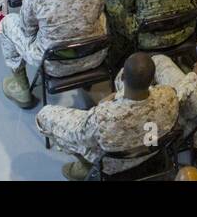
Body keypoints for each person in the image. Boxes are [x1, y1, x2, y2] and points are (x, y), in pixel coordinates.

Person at [0, 0, 107, 108]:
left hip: (53, 65)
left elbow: (27, 30)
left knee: (7, 22)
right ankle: (87, 80)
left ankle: (21, 87)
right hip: (94, 57)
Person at [36, 52, 180, 180]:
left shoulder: (104, 118)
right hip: (151, 152)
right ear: (151, 81)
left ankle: (86, 166)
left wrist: (102, 106)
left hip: (112, 165)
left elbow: (81, 134)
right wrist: (115, 98)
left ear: (124, 77)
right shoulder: (170, 97)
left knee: (45, 116)